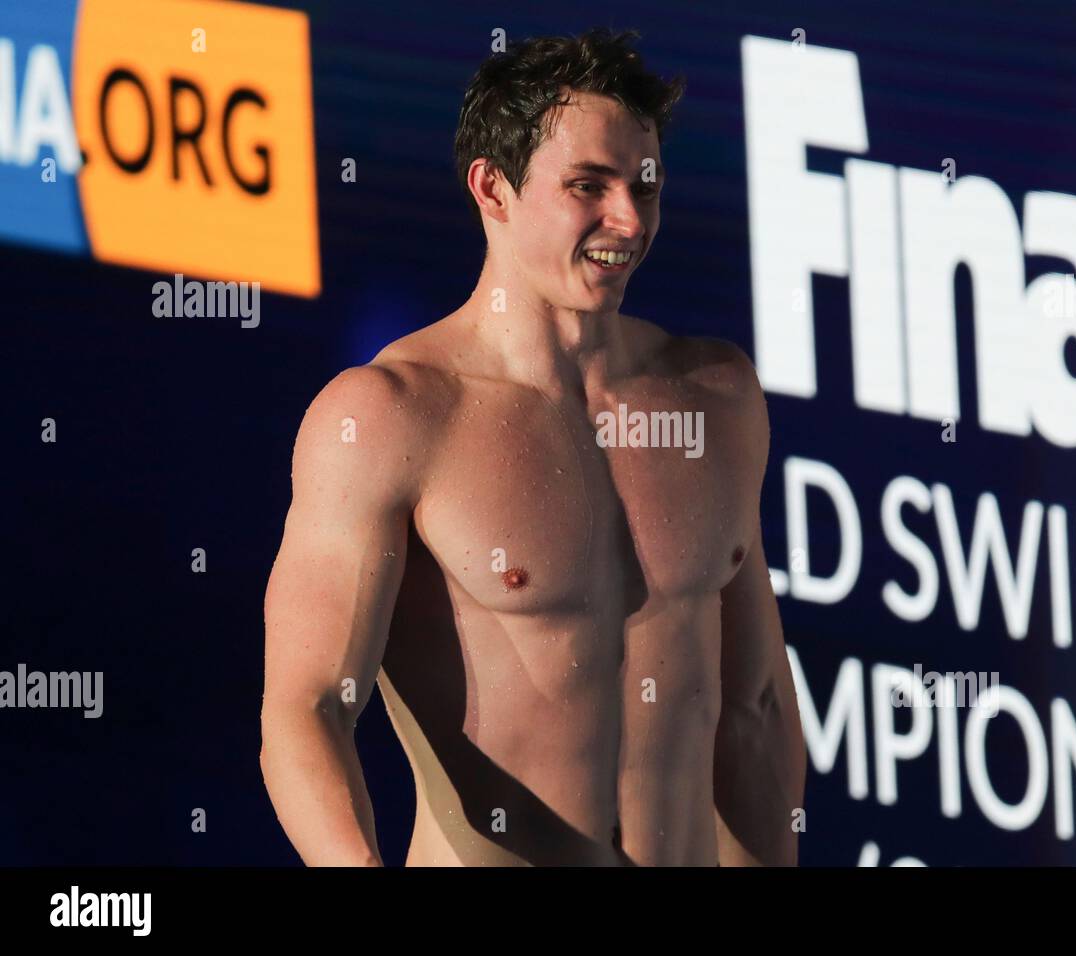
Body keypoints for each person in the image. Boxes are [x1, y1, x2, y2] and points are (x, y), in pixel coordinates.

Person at [259, 27, 805, 866]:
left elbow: (756, 710)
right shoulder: (390, 418)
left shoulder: (716, 397)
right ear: (493, 189)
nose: (627, 219)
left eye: (645, 185)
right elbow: (306, 712)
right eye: (589, 185)